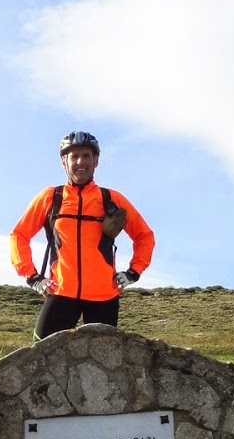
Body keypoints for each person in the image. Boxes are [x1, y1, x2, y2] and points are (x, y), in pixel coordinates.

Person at [10, 130, 156, 339]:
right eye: (74, 156)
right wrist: (32, 277)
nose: (81, 162)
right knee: (40, 358)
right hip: (61, 292)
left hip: (104, 297)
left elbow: (144, 236)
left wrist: (133, 272)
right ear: (64, 161)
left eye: (86, 156)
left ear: (96, 160)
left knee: (104, 364)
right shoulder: (51, 198)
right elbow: (18, 235)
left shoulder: (111, 199)